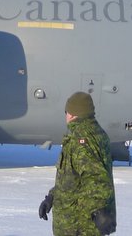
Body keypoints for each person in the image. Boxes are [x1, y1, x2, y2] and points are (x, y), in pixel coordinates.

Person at [39, 92, 116, 235]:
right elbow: (72, 178)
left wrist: (99, 211)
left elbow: (95, 177)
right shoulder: (95, 133)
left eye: (66, 111)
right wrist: (52, 197)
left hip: (78, 225)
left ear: (72, 113)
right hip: (78, 223)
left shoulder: (80, 139)